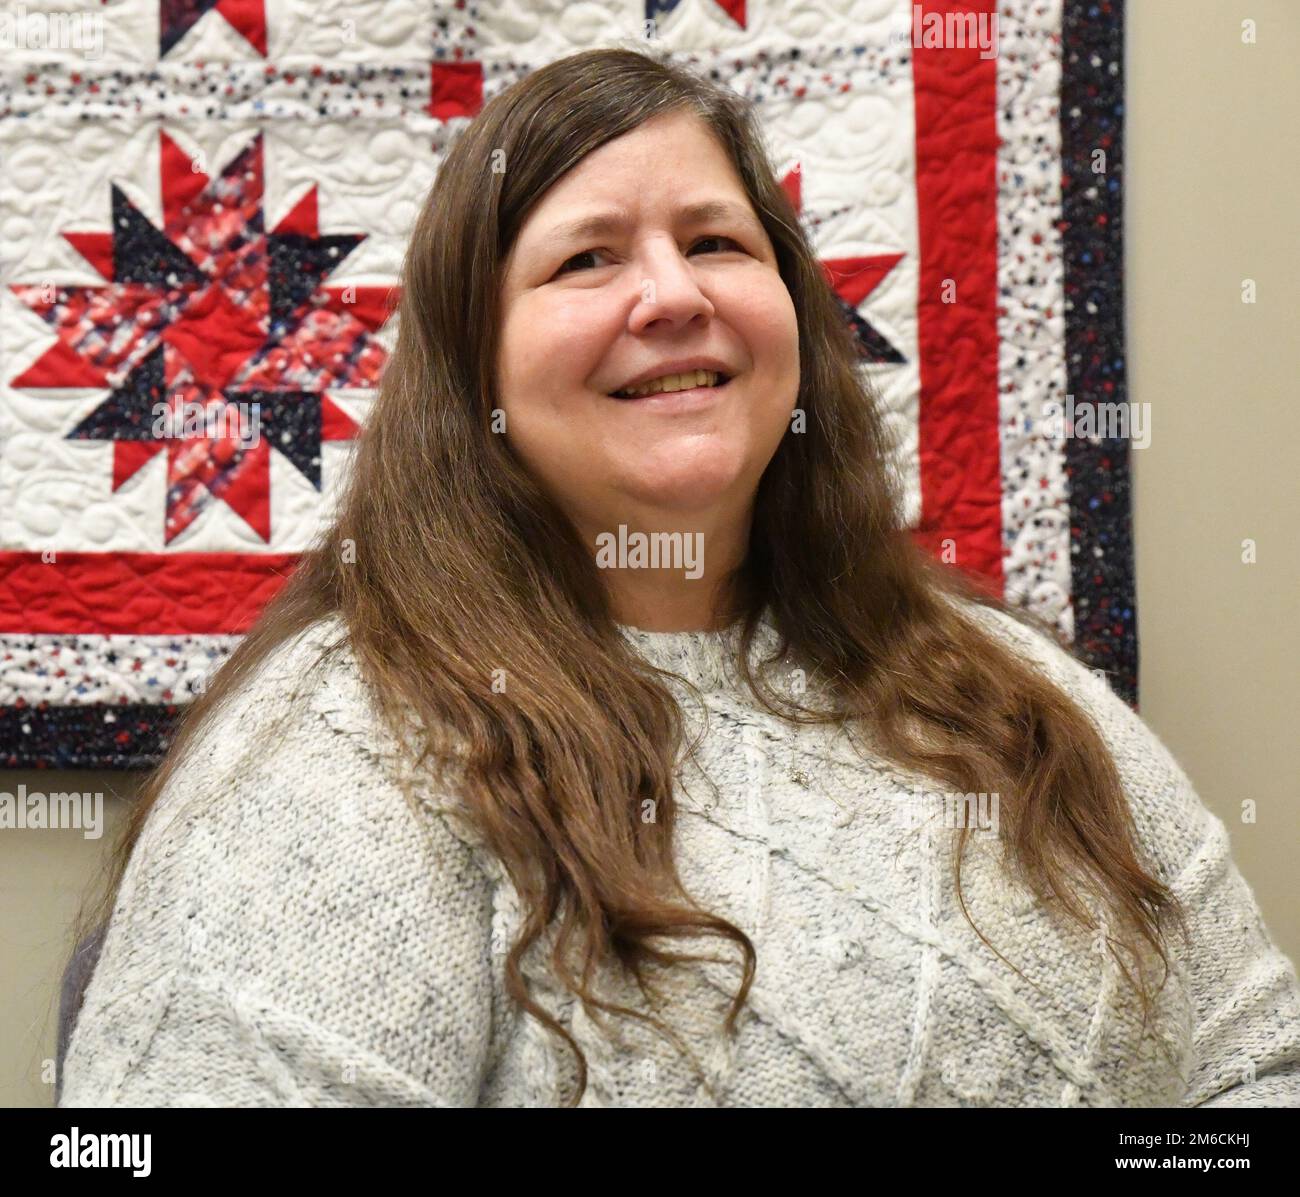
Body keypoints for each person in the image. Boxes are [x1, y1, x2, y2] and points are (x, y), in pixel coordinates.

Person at [57, 47, 1300, 1108]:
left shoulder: (1010, 686)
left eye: (714, 240)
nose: (673, 295)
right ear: (470, 376)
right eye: (585, 261)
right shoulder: (339, 746)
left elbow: (1249, 1069)